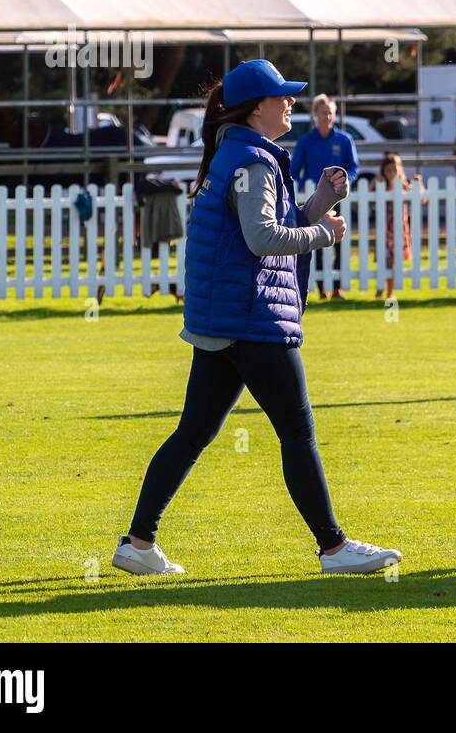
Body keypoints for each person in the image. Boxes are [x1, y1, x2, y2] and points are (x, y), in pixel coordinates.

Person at [114, 59, 400, 577]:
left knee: (193, 432)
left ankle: (138, 543)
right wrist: (325, 232)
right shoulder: (253, 162)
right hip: (252, 315)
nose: (291, 102)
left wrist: (320, 202)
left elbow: (264, 227)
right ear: (257, 108)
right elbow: (263, 239)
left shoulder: (239, 154)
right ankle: (334, 549)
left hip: (226, 313)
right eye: (283, 96)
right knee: (297, 431)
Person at [291, 94, 359, 300]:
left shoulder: (344, 140)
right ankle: (321, 288)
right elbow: (294, 170)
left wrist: (344, 182)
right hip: (316, 202)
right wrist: (304, 188)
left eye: (330, 112)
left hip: (339, 199)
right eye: (323, 113)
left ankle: (337, 288)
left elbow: (354, 167)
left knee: (339, 242)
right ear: (315, 116)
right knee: (317, 241)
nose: (327, 116)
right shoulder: (305, 142)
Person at [375, 151, 417, 301]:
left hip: (399, 230)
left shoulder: (403, 186)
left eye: (394, 169)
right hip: (385, 230)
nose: (392, 173)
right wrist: (375, 182)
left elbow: (421, 198)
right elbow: (369, 197)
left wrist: (419, 184)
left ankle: (389, 291)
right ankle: (381, 288)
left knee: (393, 262)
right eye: (388, 170)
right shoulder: (382, 187)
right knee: (384, 260)